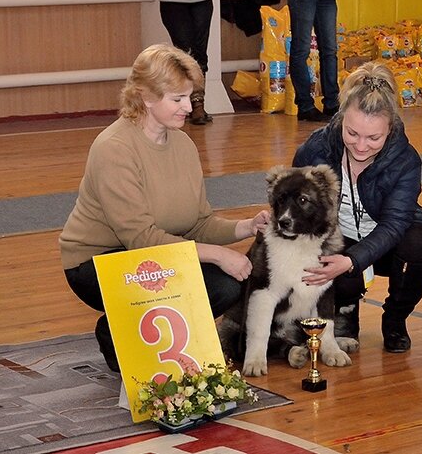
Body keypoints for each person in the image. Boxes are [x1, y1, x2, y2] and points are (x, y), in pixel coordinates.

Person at [60, 44, 269, 371]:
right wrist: (217, 254)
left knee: (231, 283)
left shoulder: (184, 145)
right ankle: (118, 327)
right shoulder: (114, 149)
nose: (189, 107)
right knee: (216, 276)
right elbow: (140, 239)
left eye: (190, 97)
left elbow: (198, 222)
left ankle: (127, 325)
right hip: (97, 262)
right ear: (146, 97)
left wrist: (246, 226)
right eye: (178, 99)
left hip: (156, 253)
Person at [292, 62, 422, 353]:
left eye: (374, 138)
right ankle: (345, 310)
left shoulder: (406, 160)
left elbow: (394, 225)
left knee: (421, 244)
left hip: (386, 242)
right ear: (340, 119)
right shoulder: (314, 150)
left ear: (390, 129)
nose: (361, 146)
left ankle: (396, 319)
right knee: (321, 260)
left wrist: (351, 261)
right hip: (338, 240)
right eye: (352, 134)